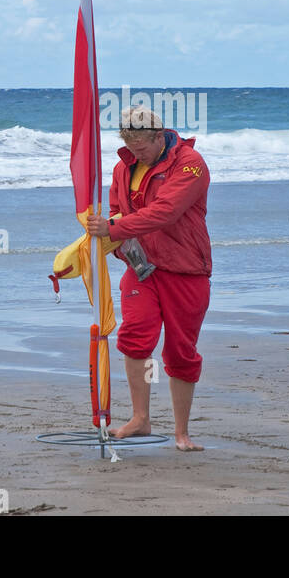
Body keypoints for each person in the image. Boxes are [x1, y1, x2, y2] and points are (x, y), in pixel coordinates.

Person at [86, 107, 211, 451]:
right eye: (131, 149)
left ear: (159, 136)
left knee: (181, 351)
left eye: (142, 149)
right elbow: (116, 209)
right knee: (135, 335)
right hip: (141, 269)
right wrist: (110, 237)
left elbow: (166, 212)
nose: (136, 155)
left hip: (186, 270)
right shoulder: (123, 167)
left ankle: (182, 433)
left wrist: (113, 228)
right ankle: (140, 419)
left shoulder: (191, 163)